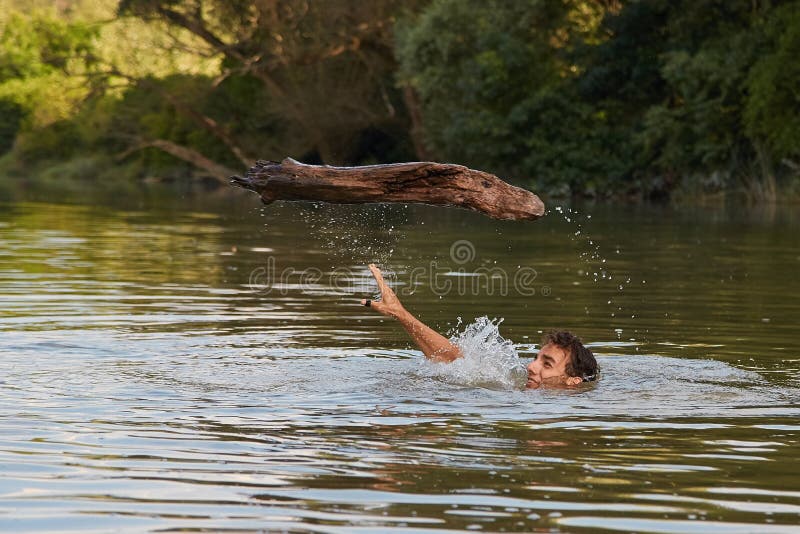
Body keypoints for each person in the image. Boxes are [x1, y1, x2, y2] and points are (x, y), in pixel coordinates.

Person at [360, 264, 599, 389]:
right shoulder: (515, 388)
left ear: (572, 382)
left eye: (546, 364)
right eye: (537, 358)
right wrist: (400, 314)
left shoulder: (562, 412)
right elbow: (454, 359)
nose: (530, 366)